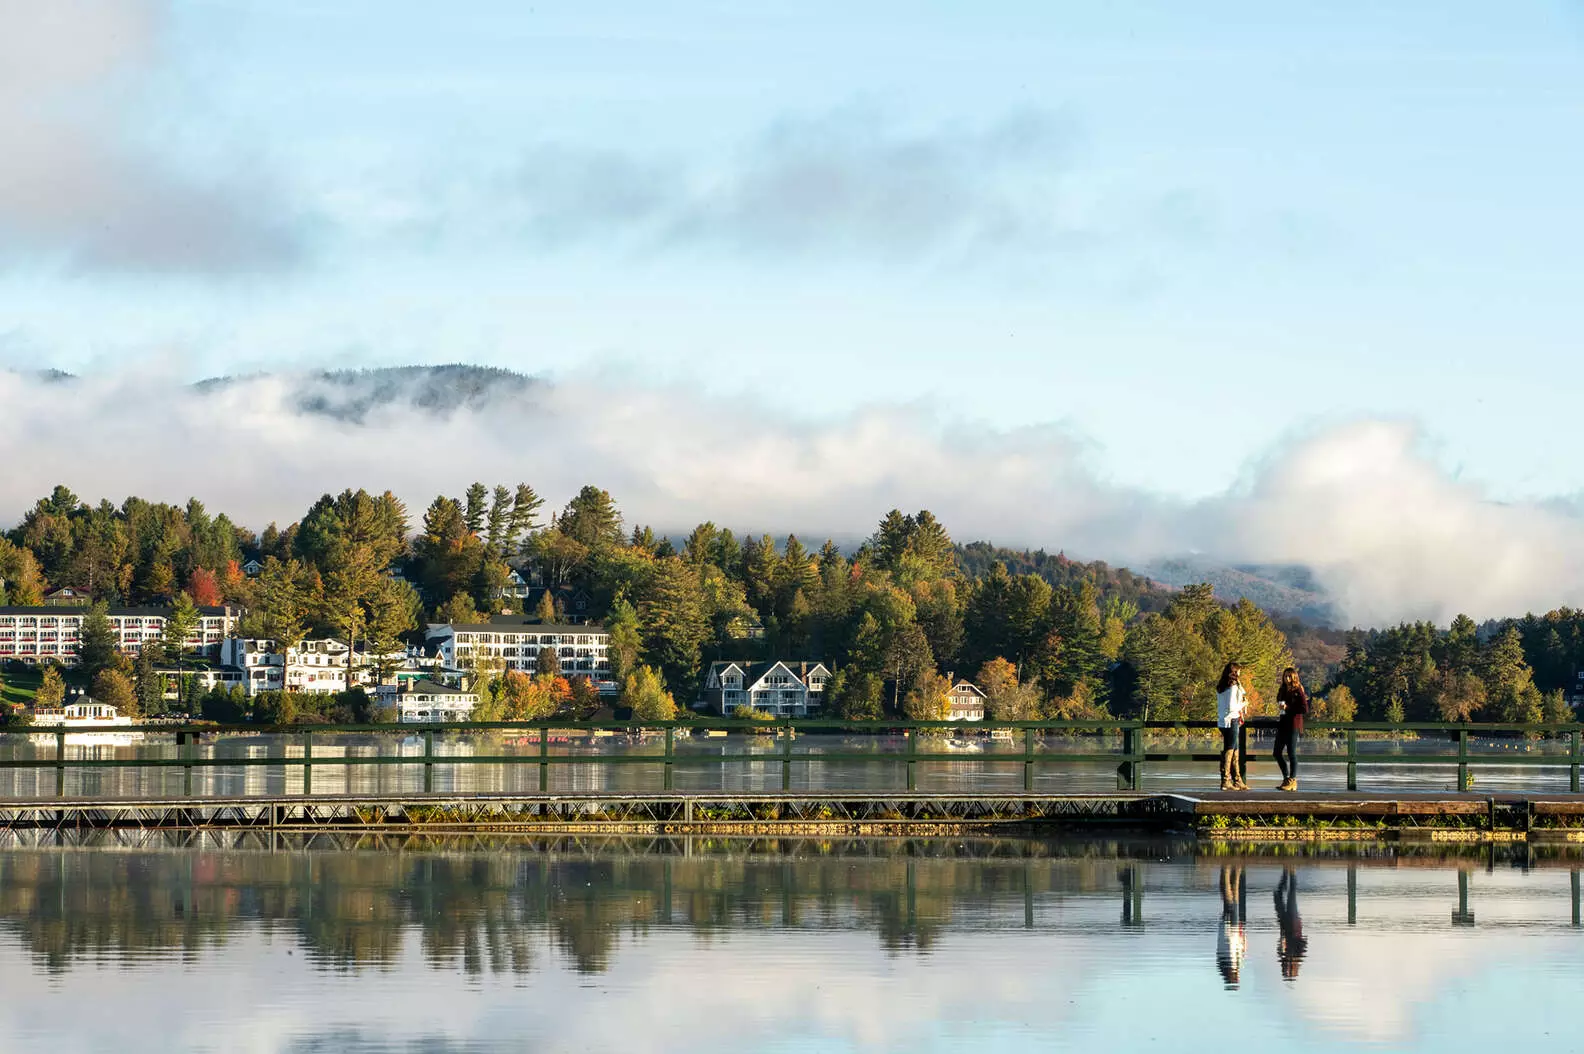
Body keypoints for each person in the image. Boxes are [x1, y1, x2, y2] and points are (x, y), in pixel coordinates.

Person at [1274, 667, 1309, 791]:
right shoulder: (1283, 689)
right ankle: (1286, 778)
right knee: (1277, 752)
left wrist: (1288, 708)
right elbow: (1279, 700)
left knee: (1291, 753)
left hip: (1294, 724)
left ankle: (1293, 780)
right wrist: (1282, 704)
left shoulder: (1298, 690)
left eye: (1289, 676)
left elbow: (1304, 708)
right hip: (1283, 723)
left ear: (1294, 677)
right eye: (1285, 676)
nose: (1287, 678)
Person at [1216, 662, 1248, 791]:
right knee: (1230, 750)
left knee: (1234, 750)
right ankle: (1226, 780)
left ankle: (1237, 780)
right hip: (1231, 720)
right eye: (1238, 671)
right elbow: (1232, 707)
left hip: (1222, 722)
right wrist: (1244, 704)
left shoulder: (1222, 687)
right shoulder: (1233, 687)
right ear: (1234, 672)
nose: (1240, 673)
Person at [1274, 867, 1308, 980]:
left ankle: (1285, 874)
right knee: (1291, 895)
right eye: (1288, 969)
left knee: (1277, 896)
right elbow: (1304, 941)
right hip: (1293, 924)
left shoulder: (1283, 957)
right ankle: (1291, 871)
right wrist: (1293, 954)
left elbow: (1279, 946)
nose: (1287, 967)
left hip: (1284, 925)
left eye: (1285, 969)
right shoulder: (1299, 955)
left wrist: (1284, 952)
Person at [1216, 865, 1246, 989]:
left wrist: (1240, 937)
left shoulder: (1229, 963)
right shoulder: (1225, 964)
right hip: (1231, 929)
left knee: (1230, 900)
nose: (1238, 977)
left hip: (1231, 929)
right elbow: (1240, 951)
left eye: (1237, 979)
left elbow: (1228, 944)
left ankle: (1228, 870)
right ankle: (1234, 870)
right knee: (1233, 899)